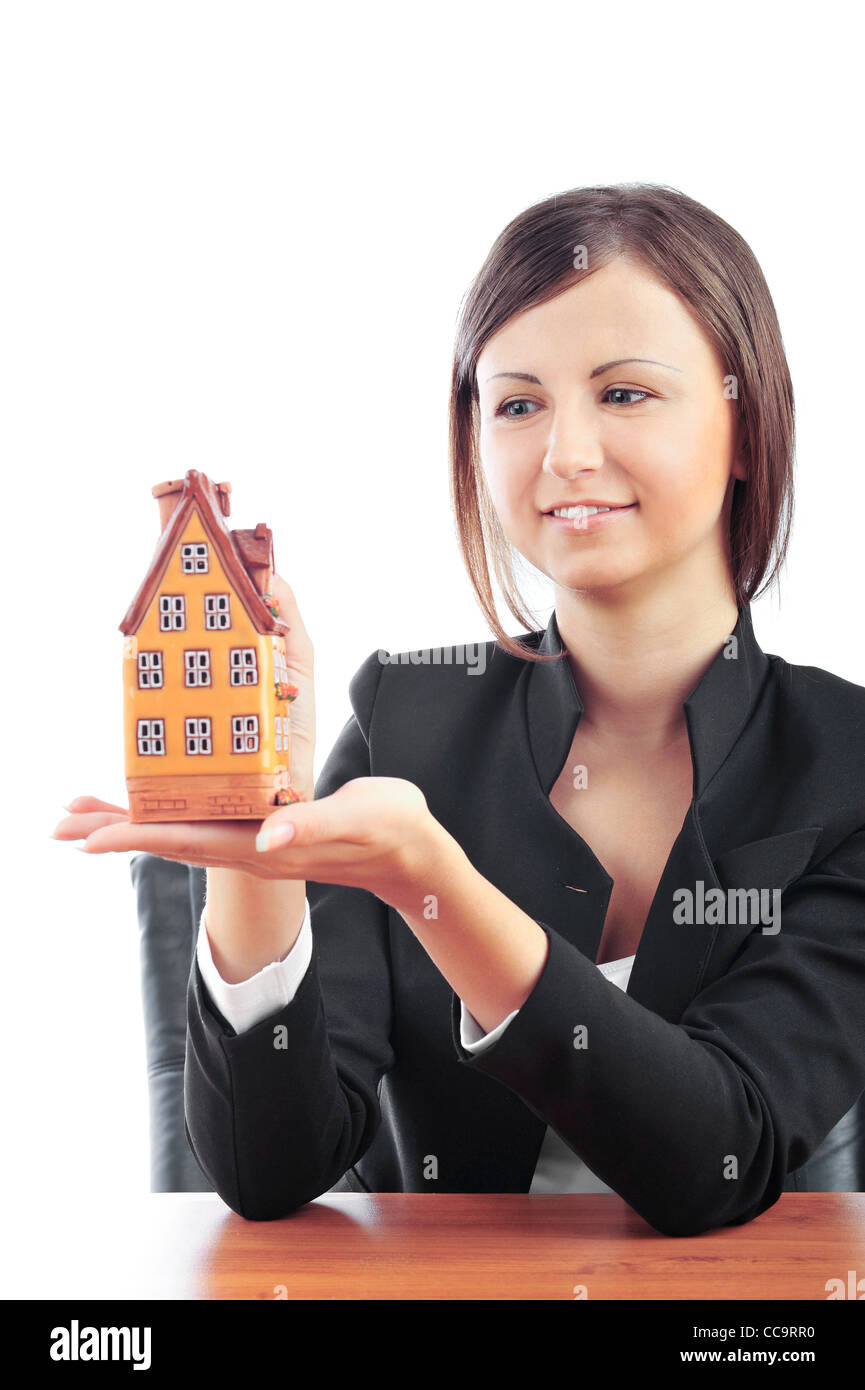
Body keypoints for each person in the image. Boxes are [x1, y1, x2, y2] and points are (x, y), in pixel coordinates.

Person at [54, 183, 865, 1237]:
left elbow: (720, 1153)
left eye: (624, 394)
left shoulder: (845, 766)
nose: (565, 453)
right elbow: (268, 1173)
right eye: (518, 403)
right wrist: (255, 849)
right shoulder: (411, 717)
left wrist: (433, 886)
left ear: (745, 424)